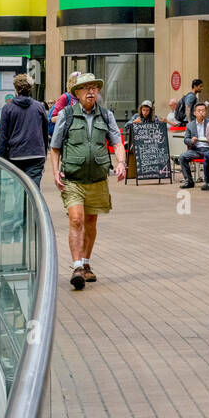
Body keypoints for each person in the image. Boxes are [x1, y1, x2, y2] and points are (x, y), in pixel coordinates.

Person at [50, 73, 125, 290]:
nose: (91, 91)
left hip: (97, 178)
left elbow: (116, 142)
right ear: (78, 93)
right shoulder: (66, 115)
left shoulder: (106, 115)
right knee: (76, 220)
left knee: (91, 221)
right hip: (72, 178)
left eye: (94, 88)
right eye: (86, 88)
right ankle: (76, 267)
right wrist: (55, 172)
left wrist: (120, 163)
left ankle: (85, 263)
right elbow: (55, 148)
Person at [0, 73, 49, 186]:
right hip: (36, 153)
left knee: (18, 190)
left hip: (16, 154)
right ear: (30, 89)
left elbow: (3, 136)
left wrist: (3, 158)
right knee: (34, 190)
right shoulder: (39, 107)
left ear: (16, 89)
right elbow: (45, 132)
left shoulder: (8, 108)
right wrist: (44, 152)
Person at [179, 103, 209, 188]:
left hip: (208, 149)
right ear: (194, 113)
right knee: (182, 157)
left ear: (206, 112)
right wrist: (191, 141)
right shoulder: (190, 125)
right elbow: (185, 139)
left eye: (203, 110)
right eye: (199, 111)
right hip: (196, 149)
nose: (201, 112)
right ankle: (189, 181)